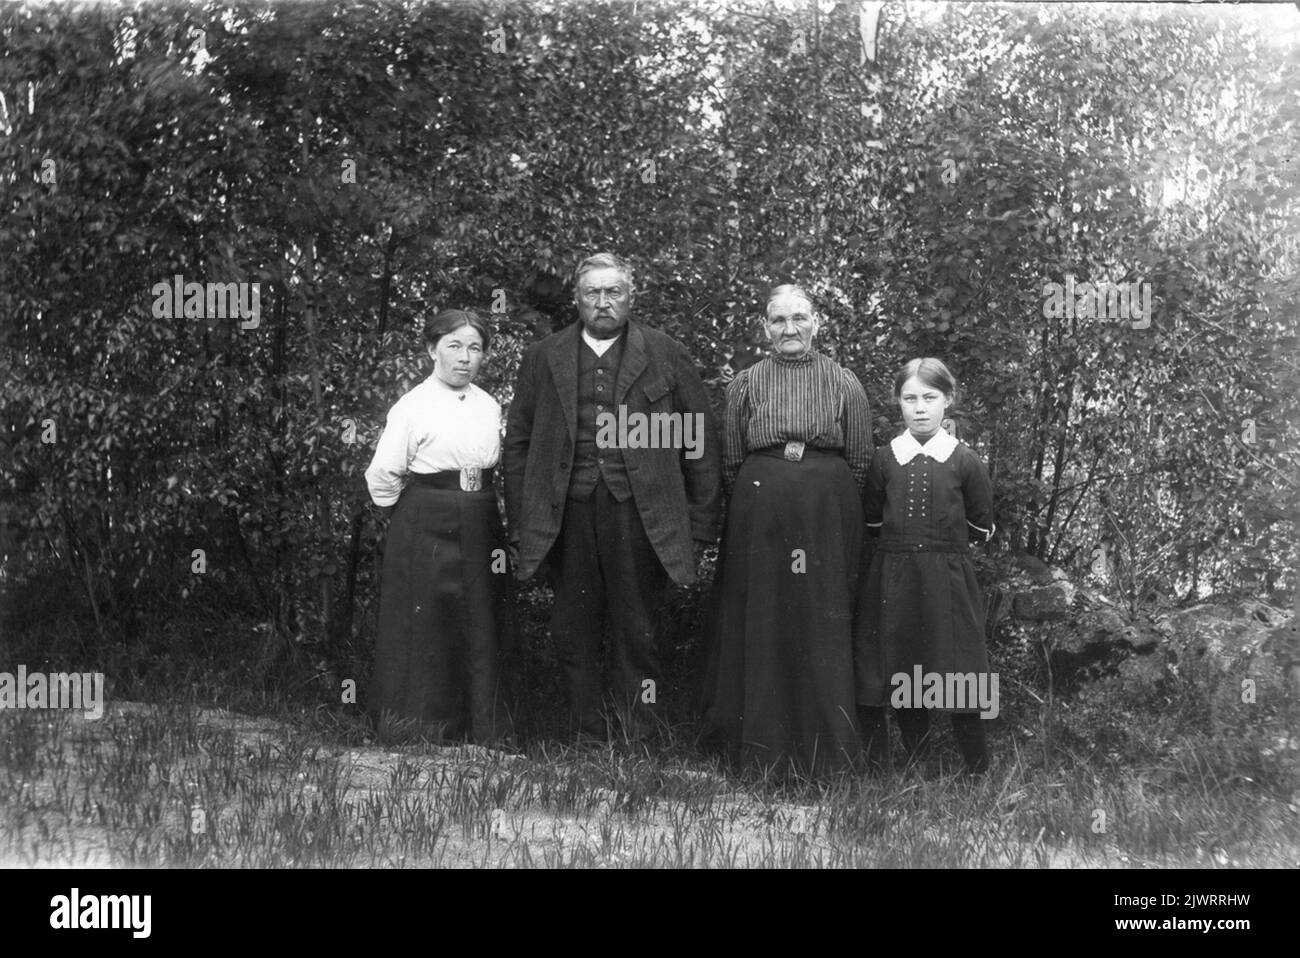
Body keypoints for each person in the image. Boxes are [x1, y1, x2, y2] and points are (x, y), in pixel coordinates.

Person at [504, 252, 721, 742]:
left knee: (637, 629)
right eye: (593, 293)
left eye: (613, 292)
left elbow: (699, 441)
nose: (603, 303)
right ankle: (587, 735)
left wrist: (701, 525)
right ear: (577, 299)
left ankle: (635, 736)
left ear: (630, 296)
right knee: (570, 628)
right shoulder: (544, 356)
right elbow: (517, 443)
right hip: (567, 512)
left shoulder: (665, 353)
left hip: (640, 515)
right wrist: (520, 524)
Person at [699, 284, 873, 779]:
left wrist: (820, 494)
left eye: (799, 318)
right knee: (763, 616)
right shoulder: (746, 384)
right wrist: (769, 491)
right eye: (778, 320)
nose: (789, 329)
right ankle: (758, 749)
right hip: (763, 508)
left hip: (824, 512)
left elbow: (859, 460)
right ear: (765, 328)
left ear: (816, 323)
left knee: (820, 619)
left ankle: (825, 752)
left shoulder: (844, 382)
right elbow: (733, 461)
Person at [364, 308, 514, 745]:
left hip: (481, 515)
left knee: (482, 618)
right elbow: (382, 476)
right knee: (428, 621)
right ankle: (419, 727)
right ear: (432, 350)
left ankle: (484, 730)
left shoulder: (489, 405)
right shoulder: (412, 406)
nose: (464, 357)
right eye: (454, 346)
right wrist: (410, 518)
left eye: (474, 348)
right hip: (426, 517)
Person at [855, 358, 996, 775]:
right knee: (901, 666)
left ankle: (977, 771)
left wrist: (939, 547)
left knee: (958, 670)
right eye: (910, 398)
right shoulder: (885, 459)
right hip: (894, 577)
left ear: (947, 401)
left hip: (948, 581)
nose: (919, 408)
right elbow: (873, 520)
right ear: (897, 402)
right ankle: (916, 766)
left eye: (930, 398)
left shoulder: (964, 460)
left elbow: (981, 524)